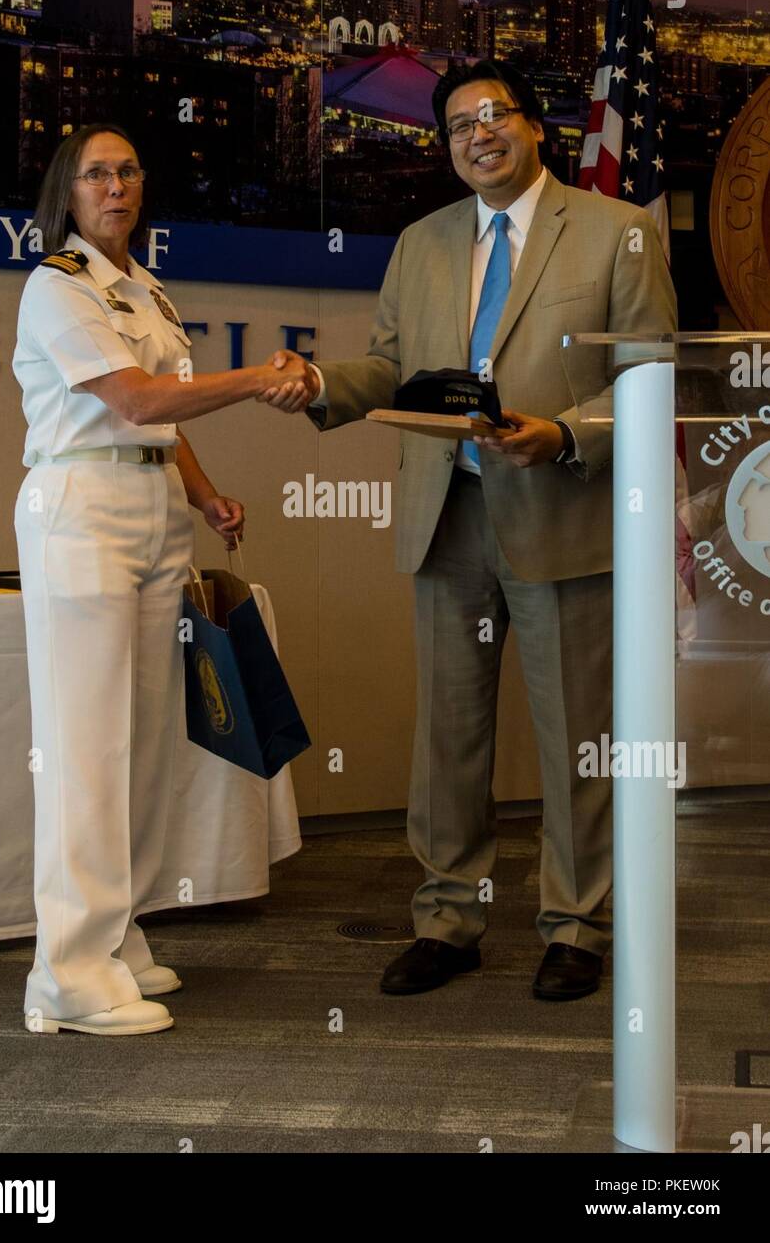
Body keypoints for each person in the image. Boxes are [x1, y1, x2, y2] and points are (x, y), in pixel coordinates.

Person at [262, 60, 678, 1001]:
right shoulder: (423, 242)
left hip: (561, 513)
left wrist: (564, 435)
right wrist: (320, 383)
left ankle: (577, 926)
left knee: (577, 736)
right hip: (446, 515)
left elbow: (648, 371)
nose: (477, 135)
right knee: (447, 738)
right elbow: (393, 369)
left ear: (534, 127)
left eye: (494, 116)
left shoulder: (615, 230)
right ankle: (447, 920)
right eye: (457, 125)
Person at [13, 123, 308, 1036]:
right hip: (82, 509)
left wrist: (207, 497)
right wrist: (258, 379)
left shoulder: (143, 287)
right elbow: (135, 399)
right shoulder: (57, 285)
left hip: (153, 507)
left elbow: (160, 426)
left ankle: (116, 936)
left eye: (129, 171)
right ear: (68, 192)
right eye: (97, 174)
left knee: (140, 740)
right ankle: (66, 973)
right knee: (84, 747)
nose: (117, 186)